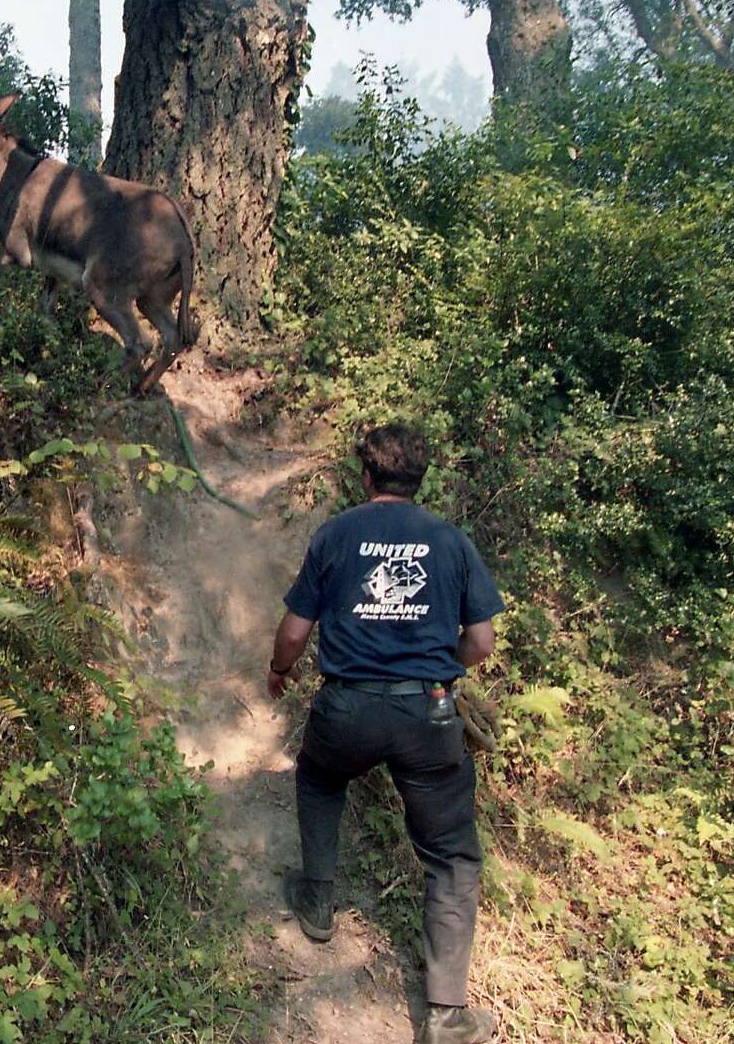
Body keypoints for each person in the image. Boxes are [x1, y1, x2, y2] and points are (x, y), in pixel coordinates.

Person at [267, 423, 504, 1044]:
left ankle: (317, 902)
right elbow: (480, 643)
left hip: (345, 709)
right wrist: (436, 666)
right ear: (419, 480)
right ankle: (447, 1017)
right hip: (428, 713)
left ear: (365, 477)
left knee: (320, 778)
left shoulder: (337, 534)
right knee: (451, 855)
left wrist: (277, 671)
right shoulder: (451, 541)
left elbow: (294, 633)